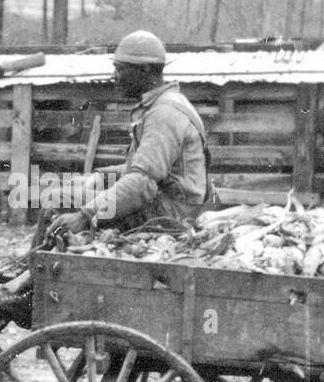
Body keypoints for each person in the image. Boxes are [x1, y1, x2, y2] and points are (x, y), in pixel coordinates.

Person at [50, 30, 215, 235]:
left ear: (144, 69)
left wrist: (84, 216)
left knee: (56, 200)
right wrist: (101, 177)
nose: (114, 77)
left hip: (170, 213)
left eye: (119, 69)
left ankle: (35, 266)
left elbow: (141, 183)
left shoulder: (163, 114)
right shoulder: (164, 104)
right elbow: (148, 170)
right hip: (166, 201)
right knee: (61, 195)